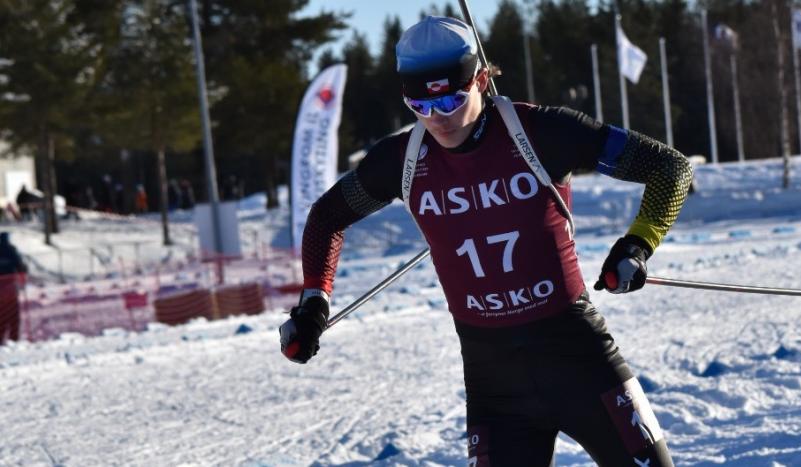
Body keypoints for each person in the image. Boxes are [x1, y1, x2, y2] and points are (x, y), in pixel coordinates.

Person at [279, 16, 692, 466]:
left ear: (481, 79)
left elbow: (669, 168)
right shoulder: (402, 160)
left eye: (453, 100)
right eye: (421, 104)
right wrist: (313, 300)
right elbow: (326, 218)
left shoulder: (543, 133)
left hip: (581, 360)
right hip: (495, 386)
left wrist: (637, 245)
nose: (439, 118)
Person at [0, 232, 27, 345]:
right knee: (13, 316)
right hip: (10, 288)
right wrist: (22, 279)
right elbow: (21, 266)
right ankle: (13, 340)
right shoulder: (11, 250)